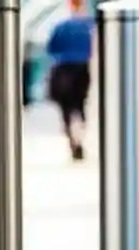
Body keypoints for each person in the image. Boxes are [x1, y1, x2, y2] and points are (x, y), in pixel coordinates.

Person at [46, 0, 94, 161]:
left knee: (66, 108)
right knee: (79, 105)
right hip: (82, 69)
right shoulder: (87, 26)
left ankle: (72, 138)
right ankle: (79, 135)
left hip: (63, 70)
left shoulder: (61, 26)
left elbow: (51, 49)